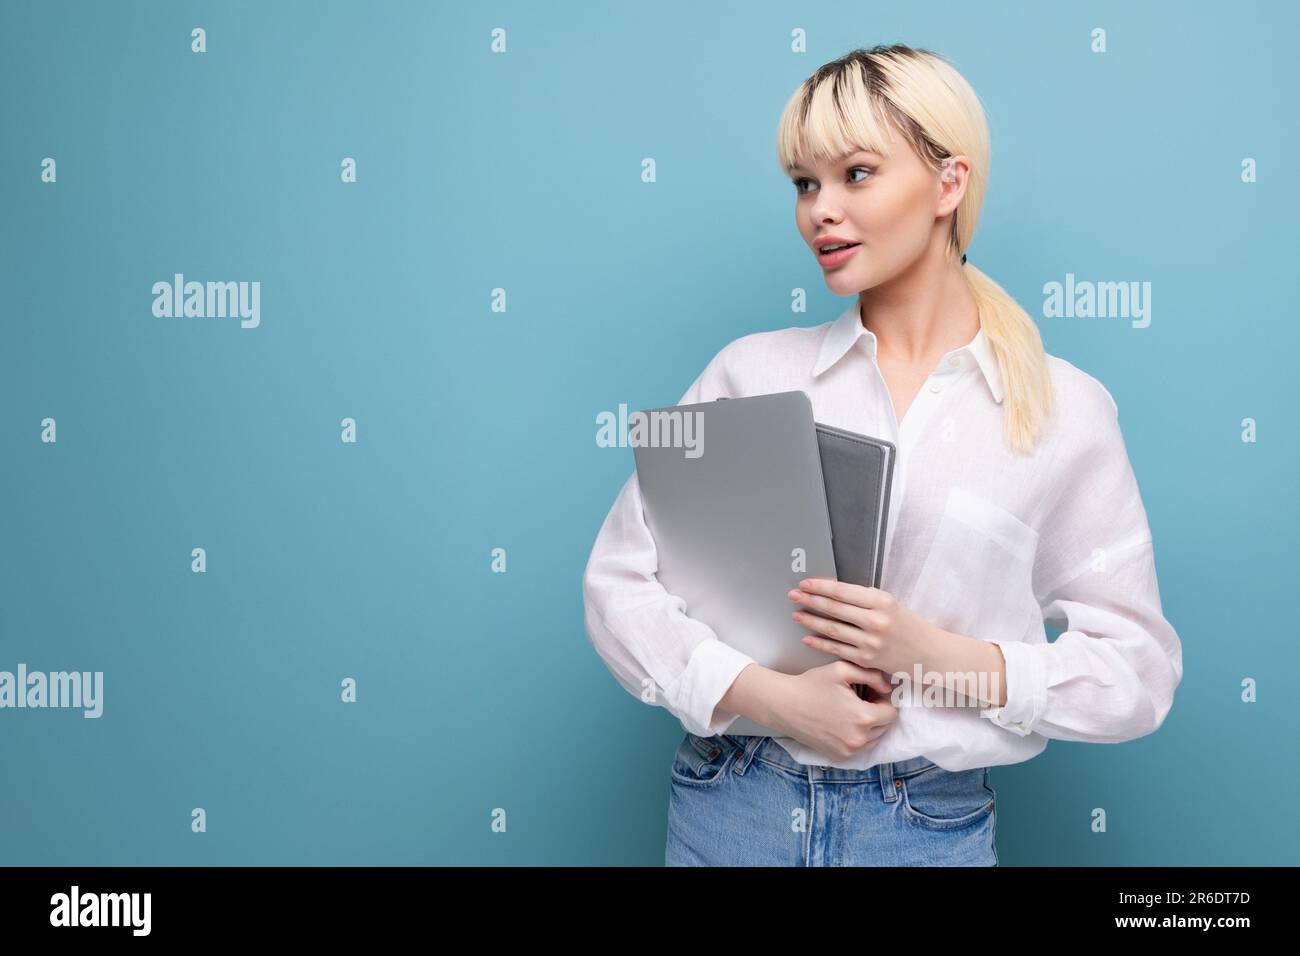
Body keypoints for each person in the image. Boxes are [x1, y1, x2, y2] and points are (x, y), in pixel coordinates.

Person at [581, 44, 1183, 866]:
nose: (820, 210)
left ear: (949, 183)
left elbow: (1137, 675)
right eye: (804, 183)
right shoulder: (748, 372)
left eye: (856, 174)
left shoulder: (1064, 408)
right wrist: (776, 700)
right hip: (734, 802)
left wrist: (938, 659)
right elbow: (617, 586)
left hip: (924, 825)